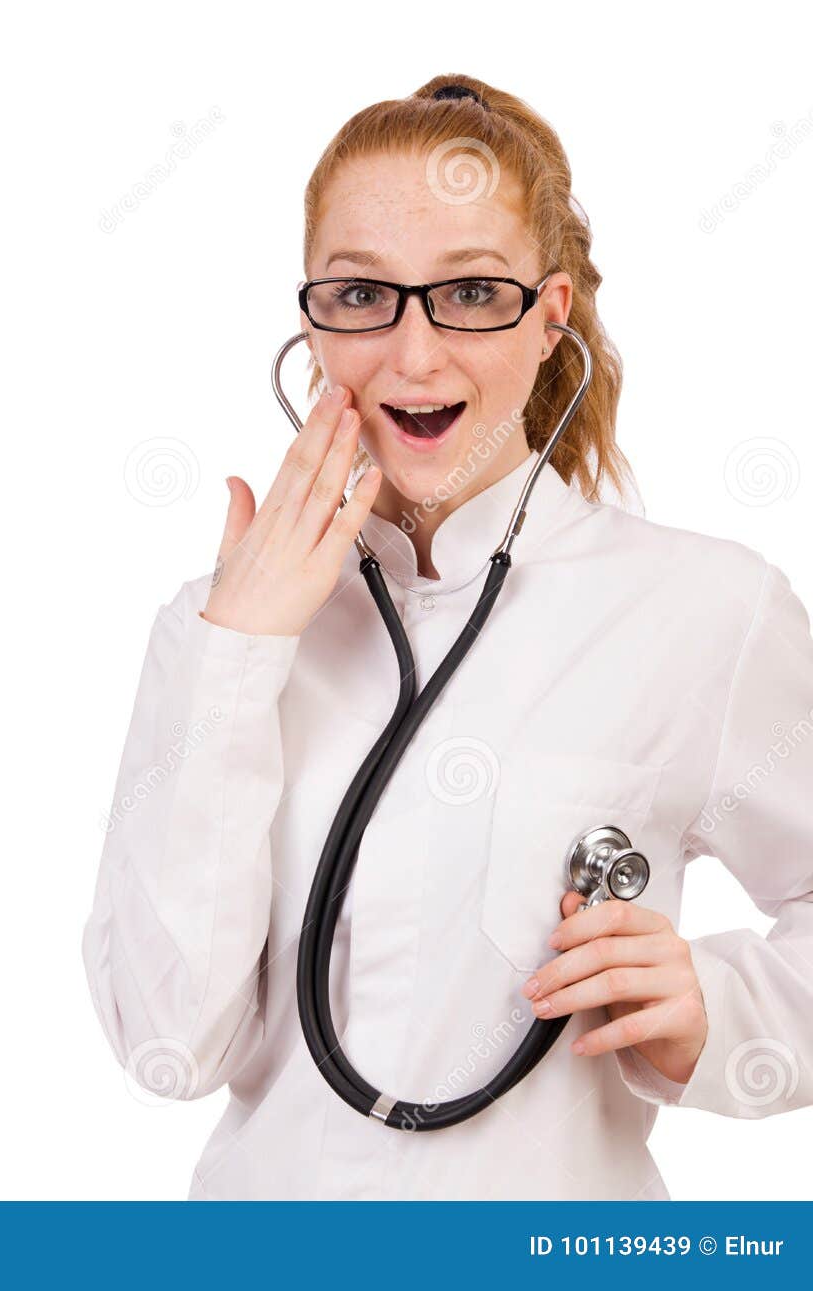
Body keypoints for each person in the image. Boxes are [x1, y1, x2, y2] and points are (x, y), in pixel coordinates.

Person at [82, 73, 813, 1200]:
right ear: (311, 321)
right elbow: (166, 1043)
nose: (413, 356)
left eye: (471, 292)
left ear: (549, 314)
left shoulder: (705, 607)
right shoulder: (215, 628)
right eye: (362, 295)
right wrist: (238, 651)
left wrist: (719, 1012)